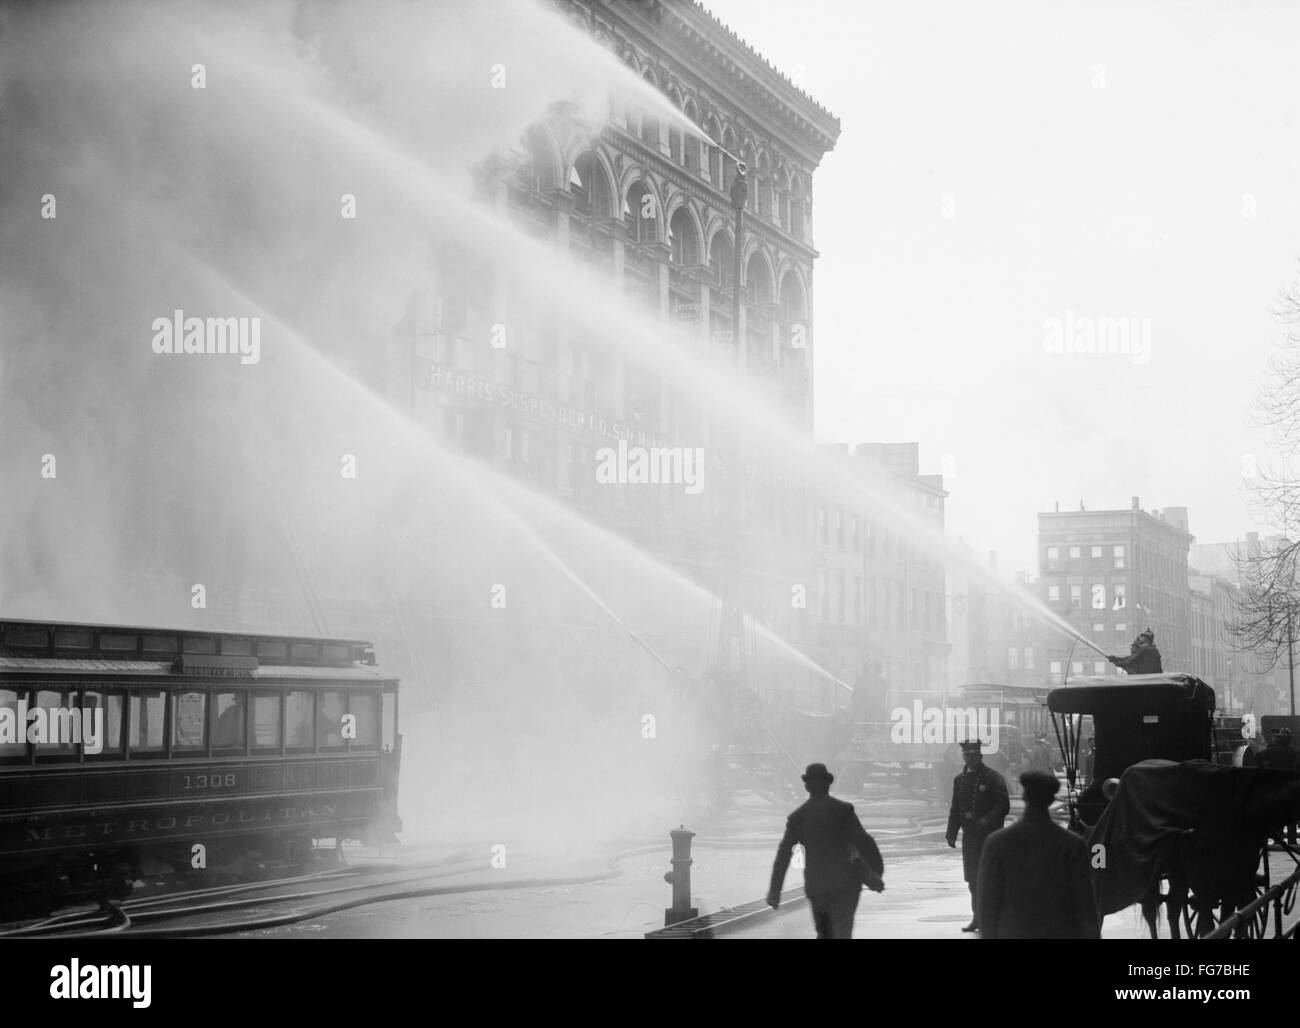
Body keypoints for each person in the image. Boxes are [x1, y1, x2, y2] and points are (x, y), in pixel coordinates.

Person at [976, 771, 1100, 939]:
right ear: (1050, 800)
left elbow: (987, 903)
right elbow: (1085, 903)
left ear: (1024, 797)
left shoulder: (997, 842)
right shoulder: (1073, 844)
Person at [768, 762, 883, 939]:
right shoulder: (843, 810)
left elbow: (784, 854)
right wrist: (876, 873)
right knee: (843, 932)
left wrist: (775, 891)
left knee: (824, 933)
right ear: (828, 784)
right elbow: (864, 841)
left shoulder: (797, 818)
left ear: (807, 787)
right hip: (846, 885)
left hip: (818, 887)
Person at [946, 738, 1009, 932]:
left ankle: (994, 917)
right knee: (973, 880)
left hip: (990, 838)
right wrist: (951, 832)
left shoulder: (993, 778)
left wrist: (986, 821)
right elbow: (955, 808)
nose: (970, 758)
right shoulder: (959, 780)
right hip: (971, 837)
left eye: (974, 755)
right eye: (967, 755)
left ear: (980, 755)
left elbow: (1002, 805)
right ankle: (978, 918)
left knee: (991, 878)